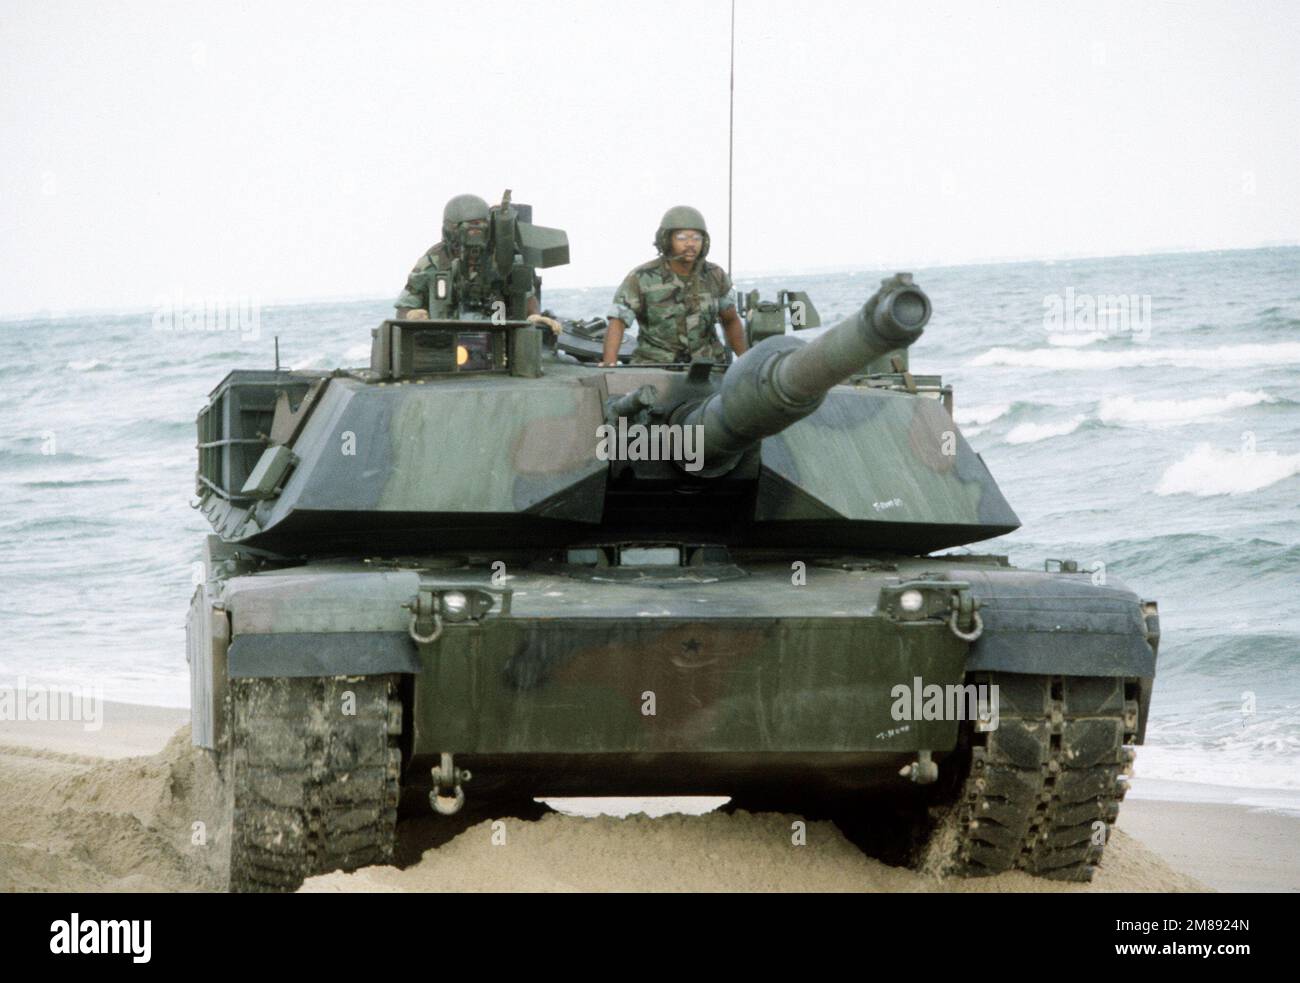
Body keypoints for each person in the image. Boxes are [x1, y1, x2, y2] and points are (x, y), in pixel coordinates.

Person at [601, 205, 748, 365]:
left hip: (707, 368)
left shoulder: (715, 275)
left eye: (696, 238)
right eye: (682, 238)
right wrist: (609, 364)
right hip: (656, 367)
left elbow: (730, 320)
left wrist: (746, 362)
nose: (690, 243)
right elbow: (618, 321)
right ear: (666, 239)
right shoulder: (641, 277)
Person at [395, 193, 544, 321]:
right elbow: (405, 306)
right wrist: (411, 314)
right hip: (444, 336)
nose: (476, 231)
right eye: (472, 226)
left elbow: (527, 299)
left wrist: (535, 316)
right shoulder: (434, 260)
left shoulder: (502, 258)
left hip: (499, 329)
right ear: (453, 229)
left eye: (482, 224)